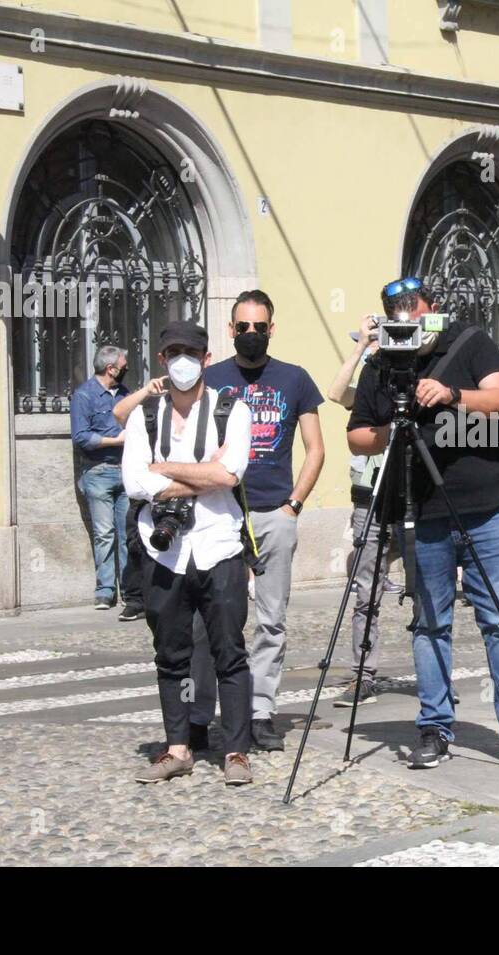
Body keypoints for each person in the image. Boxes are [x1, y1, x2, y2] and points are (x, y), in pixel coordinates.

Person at [347, 276, 499, 769]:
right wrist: (393, 427)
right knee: (429, 624)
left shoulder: (469, 341)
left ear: (433, 308)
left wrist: (450, 394)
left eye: (416, 312)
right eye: (398, 316)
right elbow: (357, 435)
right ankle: (433, 727)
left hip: (487, 507)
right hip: (422, 511)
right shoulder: (383, 363)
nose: (409, 324)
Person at [190, 290, 325, 752]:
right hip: (221, 514)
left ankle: (261, 712)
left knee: (271, 621)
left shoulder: (294, 379)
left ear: (272, 329)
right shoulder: (211, 379)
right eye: (243, 327)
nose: (251, 334)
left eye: (259, 327)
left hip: (274, 514)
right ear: (231, 330)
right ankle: (200, 714)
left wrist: (294, 505)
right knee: (208, 621)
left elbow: (316, 448)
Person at [122, 320, 255, 786]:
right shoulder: (145, 415)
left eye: (191, 353)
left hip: (220, 547)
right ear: (161, 359)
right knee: (171, 656)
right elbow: (134, 481)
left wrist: (164, 469)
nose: (183, 361)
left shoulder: (231, 410)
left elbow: (229, 474)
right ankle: (178, 748)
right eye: (174, 352)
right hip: (164, 551)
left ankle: (236, 751)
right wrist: (202, 473)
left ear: (206, 358)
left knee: (229, 652)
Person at [325, 313, 390, 706]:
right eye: (370, 341)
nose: (374, 348)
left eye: (380, 340)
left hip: (411, 498)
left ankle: (435, 680)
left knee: (427, 594)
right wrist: (361, 347)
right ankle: (363, 674)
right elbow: (335, 392)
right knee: (366, 591)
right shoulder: (365, 391)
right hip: (369, 497)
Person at [69, 345, 141, 618]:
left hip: (126, 470)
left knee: (127, 533)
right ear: (111, 369)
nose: (126, 369)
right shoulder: (84, 395)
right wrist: (116, 440)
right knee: (104, 533)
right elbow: (81, 437)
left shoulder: (125, 394)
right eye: (123, 365)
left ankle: (130, 591)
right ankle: (105, 590)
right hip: (98, 471)